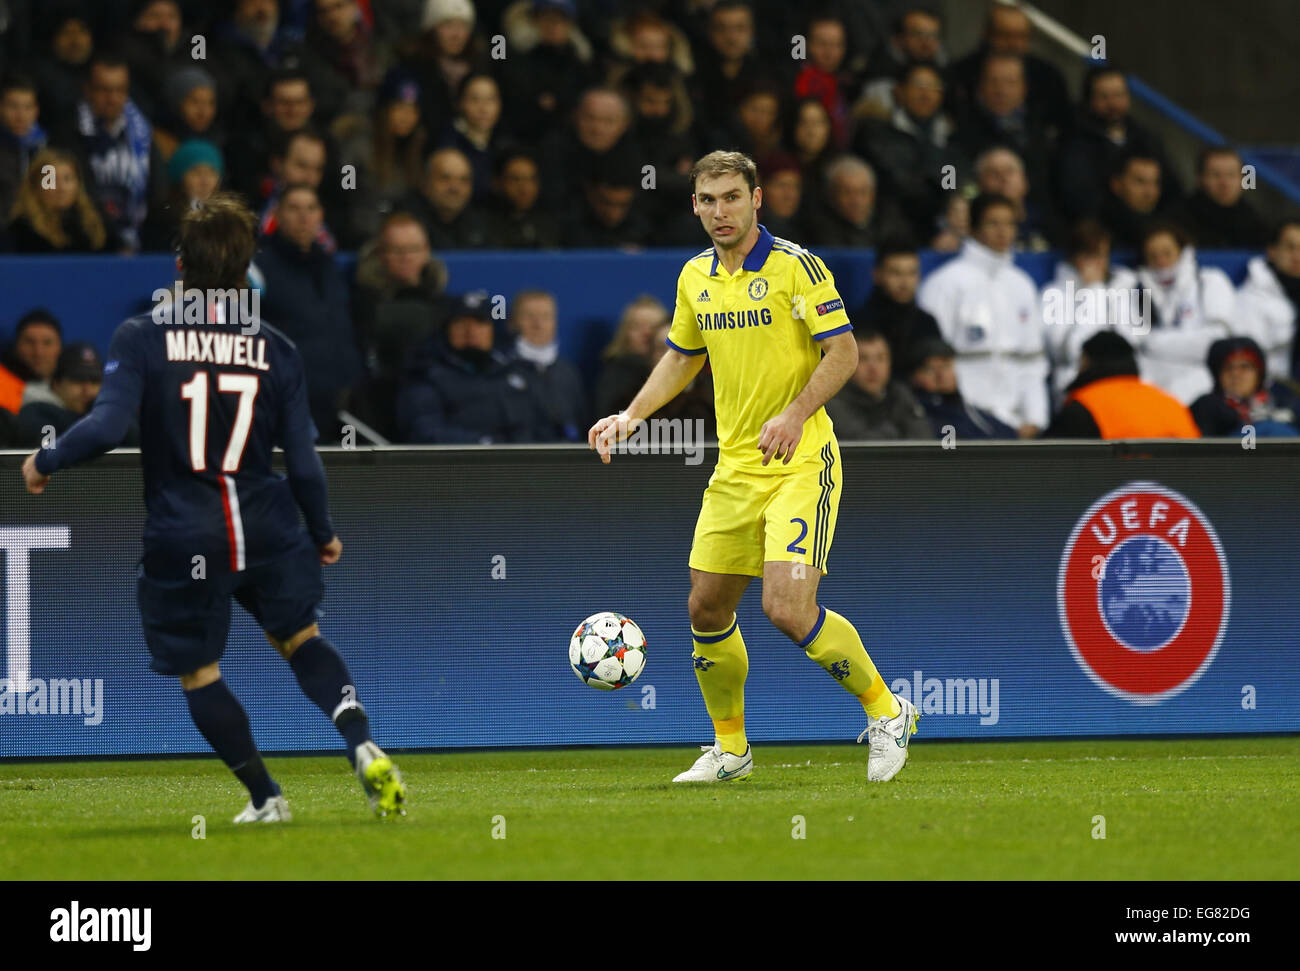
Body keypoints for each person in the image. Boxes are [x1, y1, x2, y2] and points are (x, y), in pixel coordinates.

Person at [20, 193, 405, 821]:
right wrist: (323, 530)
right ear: (246, 268)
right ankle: (360, 741)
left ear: (179, 267)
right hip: (269, 525)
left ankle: (267, 797)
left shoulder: (143, 336)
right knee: (302, 639)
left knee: (199, 672)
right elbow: (304, 460)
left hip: (187, 531)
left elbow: (108, 425)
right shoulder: (276, 347)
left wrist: (46, 461)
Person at [588, 150, 919, 785]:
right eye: (708, 200)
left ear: (757, 199)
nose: (720, 211)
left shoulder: (799, 268)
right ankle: (730, 749)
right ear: (694, 206)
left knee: (787, 608)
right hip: (735, 467)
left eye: (732, 197)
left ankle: (888, 710)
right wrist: (632, 415)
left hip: (801, 461)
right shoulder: (695, 279)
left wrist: (795, 414)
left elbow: (844, 353)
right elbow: (684, 357)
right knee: (706, 608)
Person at [917, 192, 1048, 436]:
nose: (1003, 231)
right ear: (974, 227)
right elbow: (933, 359)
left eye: (1009, 223)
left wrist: (1035, 419)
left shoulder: (1023, 285)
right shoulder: (945, 284)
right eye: (993, 223)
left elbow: (1033, 361)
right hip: (964, 421)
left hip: (1018, 424)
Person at [395, 290, 558, 443]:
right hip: (460, 467)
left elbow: (544, 427)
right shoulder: (426, 375)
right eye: (461, 323)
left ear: (492, 330)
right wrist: (485, 445)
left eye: (480, 322)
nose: (471, 331)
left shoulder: (515, 372)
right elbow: (425, 432)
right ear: (447, 330)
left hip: (528, 466)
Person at [1132, 221, 1235, 403]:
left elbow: (1216, 343)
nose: (1161, 261)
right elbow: (1136, 347)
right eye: (1153, 255)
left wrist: (1155, 342)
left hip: (1203, 381)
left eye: (1167, 253)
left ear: (1182, 251)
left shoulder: (1210, 281)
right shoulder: (1136, 291)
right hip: (1152, 384)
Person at [1040, 219, 1138, 404]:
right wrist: (1093, 292)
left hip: (1122, 385)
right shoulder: (1054, 293)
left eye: (1103, 256)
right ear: (1074, 257)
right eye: (1091, 255)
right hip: (1074, 387)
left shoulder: (1121, 289)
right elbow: (1068, 352)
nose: (1098, 263)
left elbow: (1131, 344)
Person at [1043, 331, 1200, 439]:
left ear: (1087, 362)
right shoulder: (1169, 401)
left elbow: (1047, 464)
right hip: (1182, 484)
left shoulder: (1084, 407)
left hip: (1124, 485)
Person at [825, 329, 932, 440]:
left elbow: (924, 438)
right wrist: (894, 432)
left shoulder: (900, 394)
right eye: (863, 358)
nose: (873, 368)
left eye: (880, 358)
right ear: (847, 363)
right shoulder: (834, 400)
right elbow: (863, 444)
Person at [851, 235, 941, 366]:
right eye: (896, 273)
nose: (905, 282)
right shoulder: (857, 324)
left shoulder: (927, 323)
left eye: (911, 273)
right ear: (877, 274)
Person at [905, 336, 1016, 439]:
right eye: (930, 370)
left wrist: (1020, 433)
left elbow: (1005, 432)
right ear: (914, 376)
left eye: (946, 366)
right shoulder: (916, 412)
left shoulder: (962, 406)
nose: (941, 375)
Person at [1189, 336, 1300, 437]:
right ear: (1218, 376)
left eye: (1245, 367)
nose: (1236, 374)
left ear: (1259, 373)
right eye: (1228, 368)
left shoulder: (1286, 403)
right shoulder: (1206, 408)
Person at [7, 147, 107, 254]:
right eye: (50, 180)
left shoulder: (97, 223)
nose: (61, 188)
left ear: (78, 184)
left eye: (67, 179)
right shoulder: (20, 231)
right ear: (35, 186)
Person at [1237, 218, 1300, 382]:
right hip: (1274, 391)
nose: (1297, 256)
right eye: (1290, 247)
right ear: (1272, 251)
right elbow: (1245, 358)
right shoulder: (1251, 298)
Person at [1173, 147, 1270, 250]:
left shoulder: (1256, 221)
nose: (1224, 183)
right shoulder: (1177, 222)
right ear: (1199, 179)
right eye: (1216, 175)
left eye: (1231, 175)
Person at [2, 308, 63, 406]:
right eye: (29, 342)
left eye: (47, 343)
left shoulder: (75, 395)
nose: (38, 352)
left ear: (60, 348)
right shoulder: (3, 390)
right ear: (16, 347)